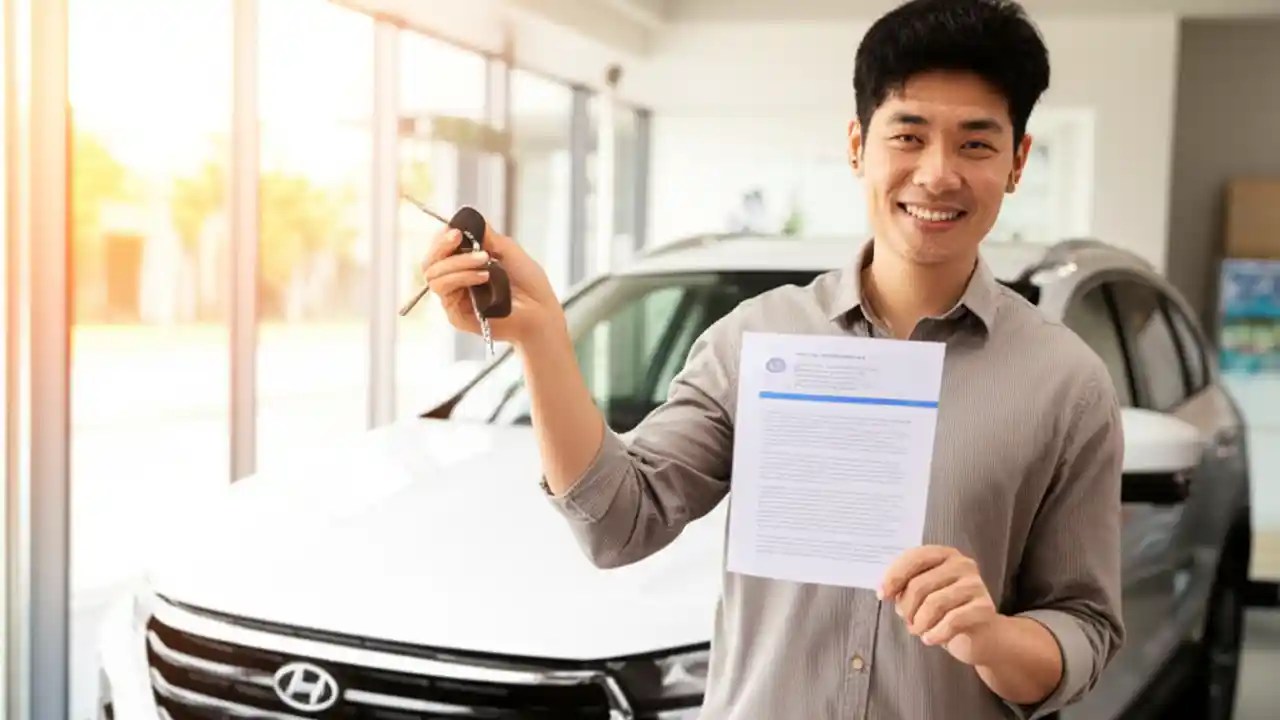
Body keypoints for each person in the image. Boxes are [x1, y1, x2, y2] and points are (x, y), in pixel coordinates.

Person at [419, 0, 1124, 717]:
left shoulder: (1066, 383)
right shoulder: (755, 339)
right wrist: (541, 340)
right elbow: (618, 525)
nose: (938, 174)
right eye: (908, 136)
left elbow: (1086, 628)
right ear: (858, 146)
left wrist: (990, 638)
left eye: (976, 144)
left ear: (1017, 162)